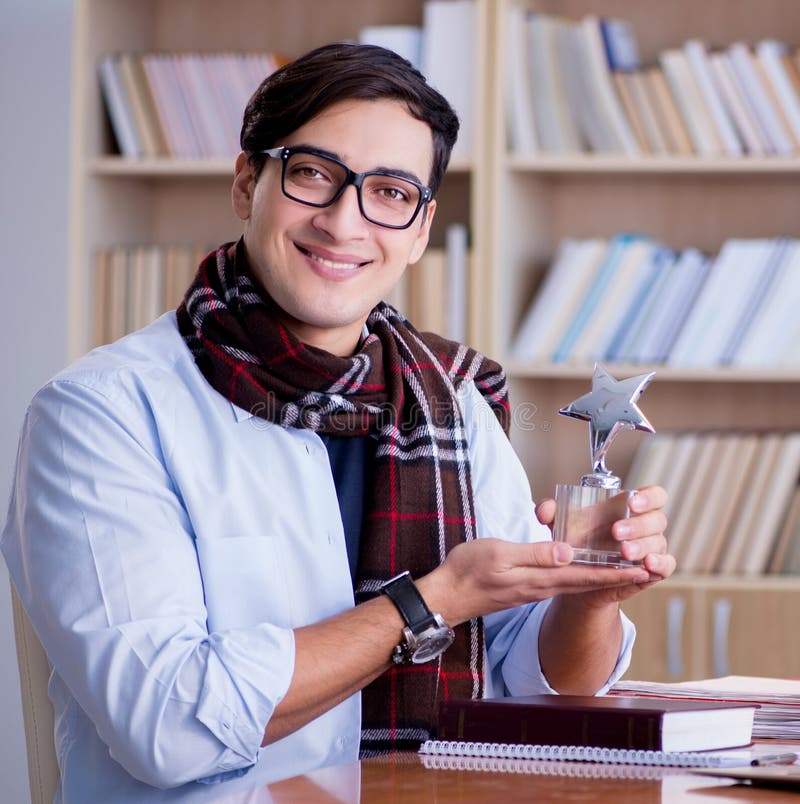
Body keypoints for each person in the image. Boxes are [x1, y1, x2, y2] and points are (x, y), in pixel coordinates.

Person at [1, 42, 674, 801]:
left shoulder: (453, 404)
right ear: (247, 182)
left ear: (419, 231)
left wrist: (585, 596)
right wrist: (431, 602)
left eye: (390, 193)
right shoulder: (101, 413)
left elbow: (533, 699)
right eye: (314, 174)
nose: (345, 221)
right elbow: (168, 727)